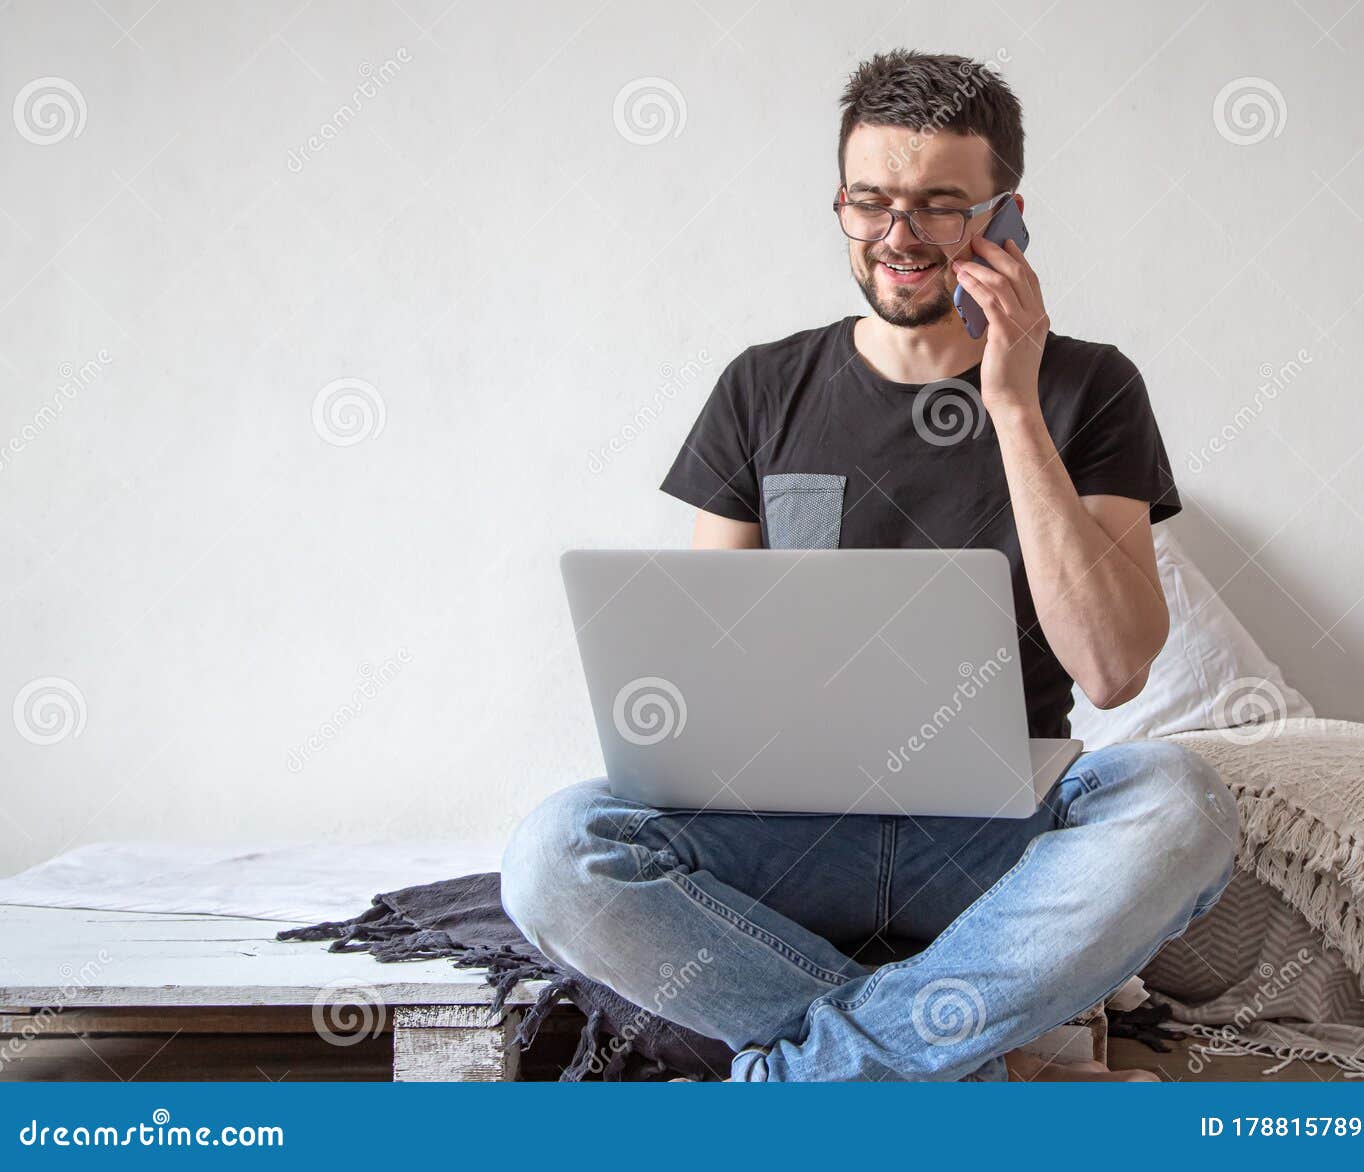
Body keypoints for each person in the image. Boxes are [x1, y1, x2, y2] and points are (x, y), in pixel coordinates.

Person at [502, 49, 1238, 1082]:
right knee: (556, 850)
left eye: (941, 206)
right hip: (793, 840)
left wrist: (1013, 401)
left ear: (1006, 217)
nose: (899, 237)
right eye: (870, 201)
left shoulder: (1089, 388)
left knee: (1181, 800)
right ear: (839, 203)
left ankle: (807, 1083)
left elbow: (1114, 668)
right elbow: (704, 687)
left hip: (995, 845)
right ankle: (922, 1069)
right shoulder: (761, 388)